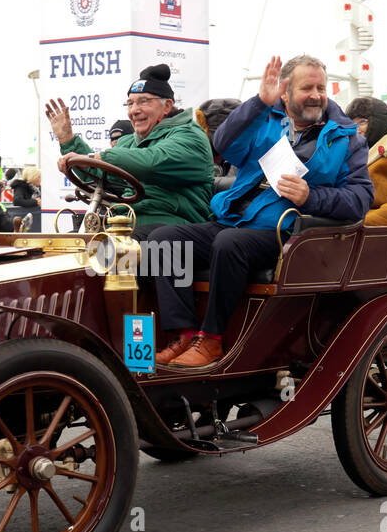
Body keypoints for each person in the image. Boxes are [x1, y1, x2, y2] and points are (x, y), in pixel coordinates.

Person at [150, 54, 373, 368]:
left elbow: (360, 199)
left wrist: (311, 196)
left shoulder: (346, 139)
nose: (316, 94)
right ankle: (184, 334)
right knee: (164, 240)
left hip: (284, 233)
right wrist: (257, 103)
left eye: (321, 87)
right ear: (285, 93)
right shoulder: (266, 120)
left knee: (229, 244)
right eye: (307, 87)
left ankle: (211, 340)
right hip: (236, 219)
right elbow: (224, 144)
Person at [47, 63, 214, 239]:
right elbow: (98, 174)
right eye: (130, 103)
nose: (134, 110)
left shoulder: (190, 135)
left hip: (176, 227)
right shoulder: (128, 142)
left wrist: (100, 157)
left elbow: (152, 162)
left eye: (144, 101)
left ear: (167, 106)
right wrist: (68, 140)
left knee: (121, 245)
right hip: (127, 222)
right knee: (74, 241)